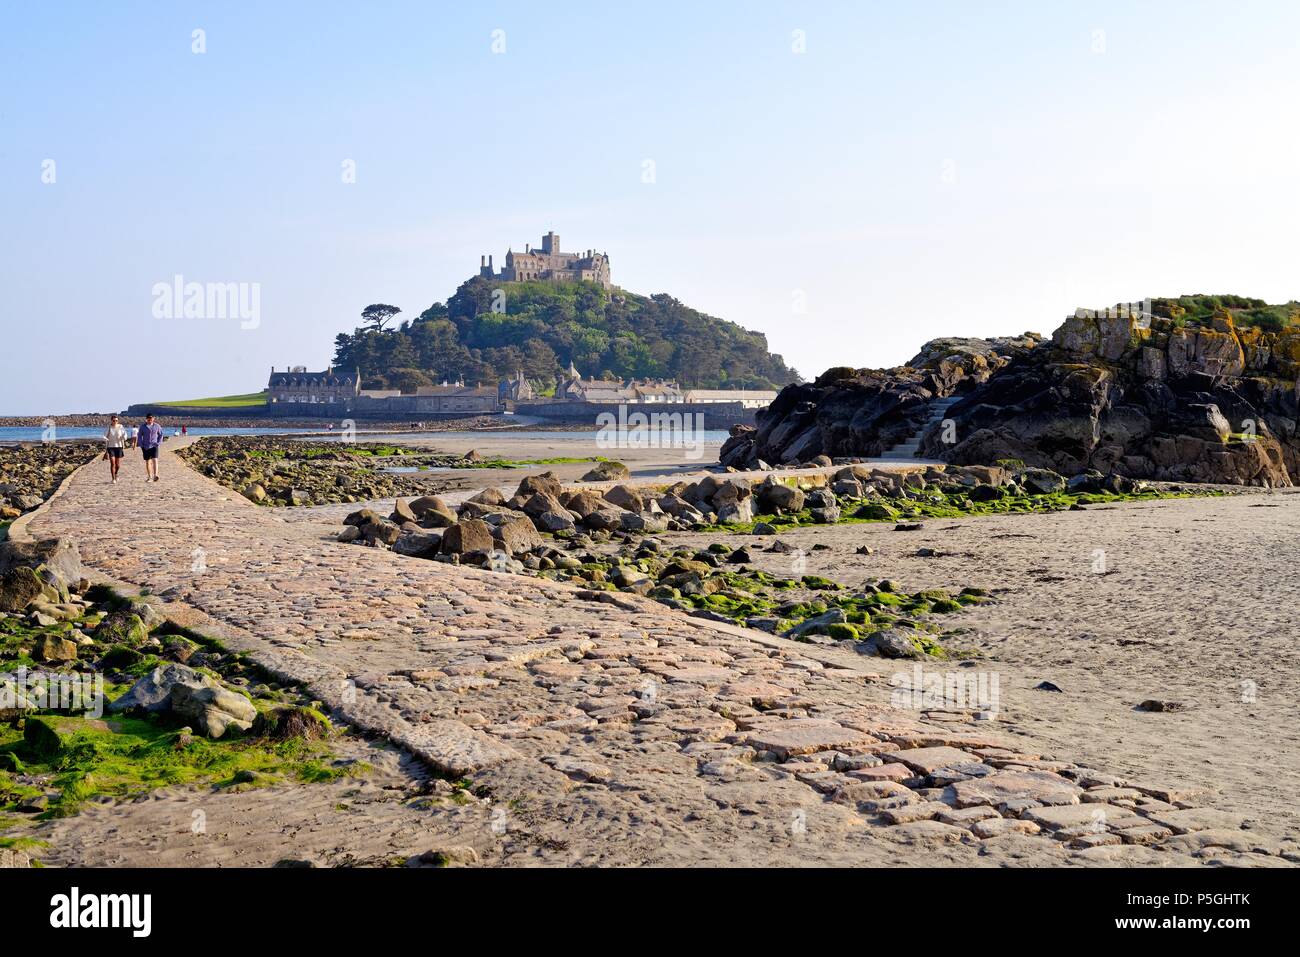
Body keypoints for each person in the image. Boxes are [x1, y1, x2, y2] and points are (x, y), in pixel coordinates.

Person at [136, 414, 164, 482]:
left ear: (153, 419)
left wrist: (158, 443)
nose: (150, 420)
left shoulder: (157, 426)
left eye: (151, 419)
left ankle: (155, 475)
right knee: (148, 461)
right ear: (146, 419)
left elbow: (161, 434)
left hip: (154, 446)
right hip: (145, 446)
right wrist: (141, 445)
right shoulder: (143, 426)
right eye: (148, 419)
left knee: (155, 460)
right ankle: (149, 477)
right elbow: (139, 436)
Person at [103, 415, 128, 484]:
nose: (115, 422)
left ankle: (116, 473)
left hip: (119, 447)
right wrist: (105, 438)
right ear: (111, 421)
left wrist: (124, 437)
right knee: (112, 463)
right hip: (110, 447)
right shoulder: (109, 427)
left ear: (118, 421)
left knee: (118, 465)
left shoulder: (121, 427)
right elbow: (104, 435)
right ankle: (113, 478)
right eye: (114, 420)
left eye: (116, 420)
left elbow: (125, 434)